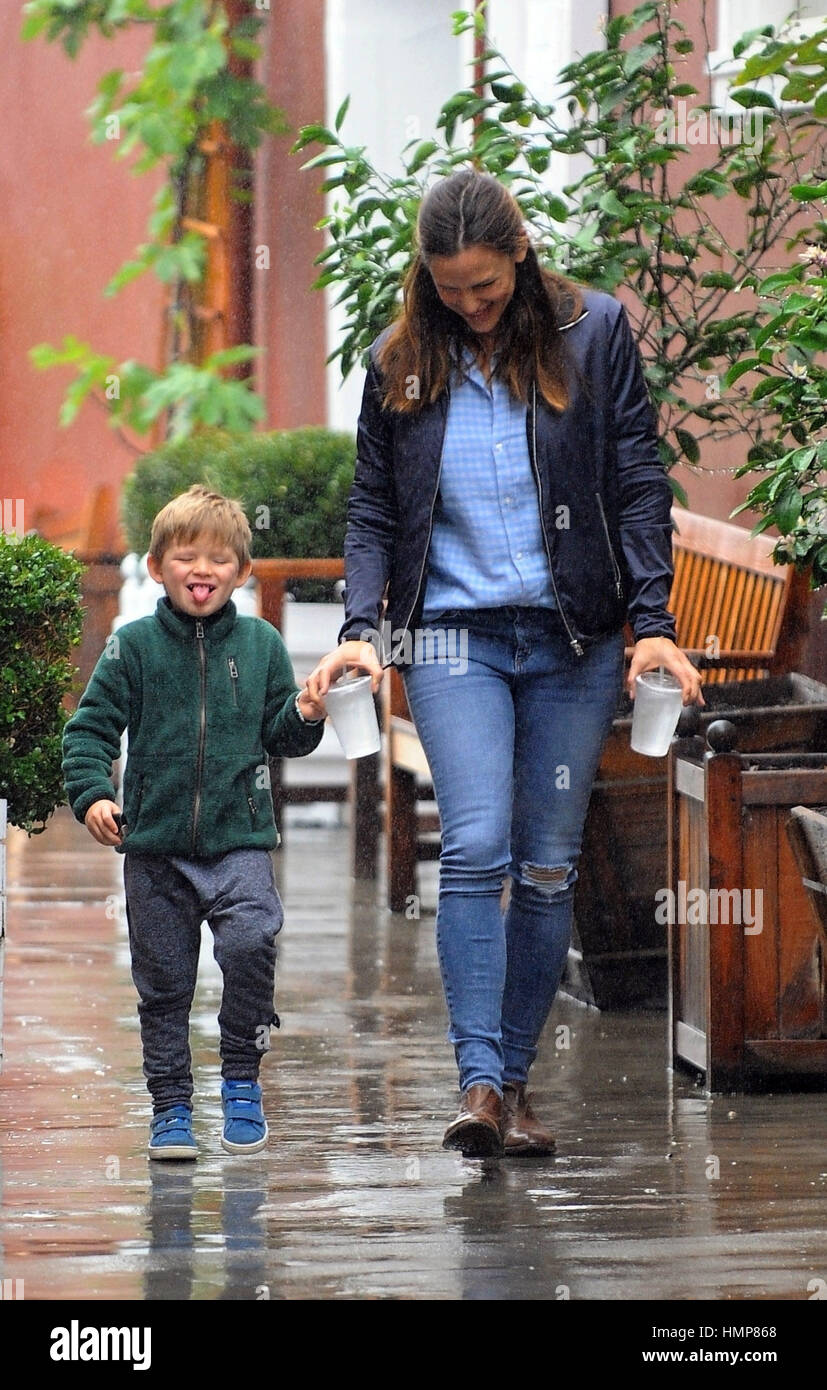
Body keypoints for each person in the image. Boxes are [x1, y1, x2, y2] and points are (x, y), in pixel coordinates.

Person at [306, 168, 703, 1160]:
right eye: (448, 290)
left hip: (570, 636)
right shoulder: (398, 360)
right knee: (475, 845)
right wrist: (361, 623)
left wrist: (649, 619)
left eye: (482, 287)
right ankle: (477, 1083)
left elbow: (635, 478)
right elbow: (370, 504)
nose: (469, 307)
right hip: (452, 637)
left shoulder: (593, 332)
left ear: (517, 256)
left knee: (543, 863)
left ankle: (514, 1083)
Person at [62, 485, 327, 1160]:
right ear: (156, 567)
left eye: (218, 558)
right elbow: (89, 731)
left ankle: (240, 1076)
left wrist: (305, 712)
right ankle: (171, 1106)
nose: (201, 570)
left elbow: (282, 736)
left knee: (251, 942)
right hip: (153, 848)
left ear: (240, 571)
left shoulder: (262, 644)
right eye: (185, 556)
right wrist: (93, 794)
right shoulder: (134, 647)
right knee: (164, 985)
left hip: (239, 841)